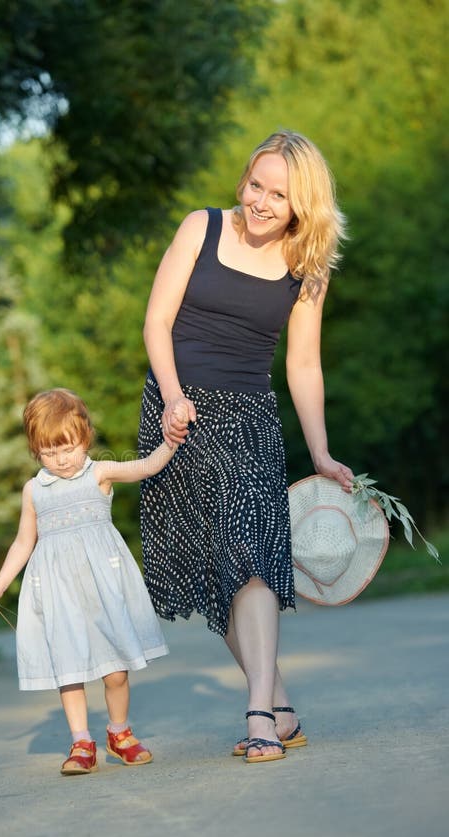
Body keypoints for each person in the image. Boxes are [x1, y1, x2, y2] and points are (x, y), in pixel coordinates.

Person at [137, 130, 354, 763]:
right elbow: (157, 321)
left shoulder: (305, 268)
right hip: (176, 414)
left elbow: (305, 366)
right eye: (255, 184)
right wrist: (174, 398)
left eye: (278, 194)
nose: (260, 201)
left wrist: (319, 451)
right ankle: (278, 703)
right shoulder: (199, 228)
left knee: (252, 554)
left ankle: (259, 713)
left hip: (248, 419)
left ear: (300, 205)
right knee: (217, 569)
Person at [0, 388, 174, 775]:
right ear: (36, 451)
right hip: (58, 592)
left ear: (84, 438)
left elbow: (146, 467)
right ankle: (81, 742)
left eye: (67, 449)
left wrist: (170, 441)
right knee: (69, 669)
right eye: (49, 453)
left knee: (116, 669)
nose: (61, 460)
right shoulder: (35, 490)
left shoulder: (99, 473)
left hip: (102, 587)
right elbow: (23, 540)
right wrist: (1, 582)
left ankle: (119, 734)